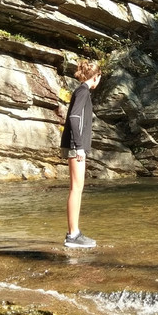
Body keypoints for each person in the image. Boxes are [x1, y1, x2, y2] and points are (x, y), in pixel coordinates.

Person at [60, 59, 102, 248]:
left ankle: (74, 233)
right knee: (76, 189)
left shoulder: (80, 91)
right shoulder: (83, 91)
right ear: (97, 76)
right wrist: (78, 147)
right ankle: (73, 235)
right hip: (76, 147)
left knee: (76, 188)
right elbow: (75, 117)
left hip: (75, 146)